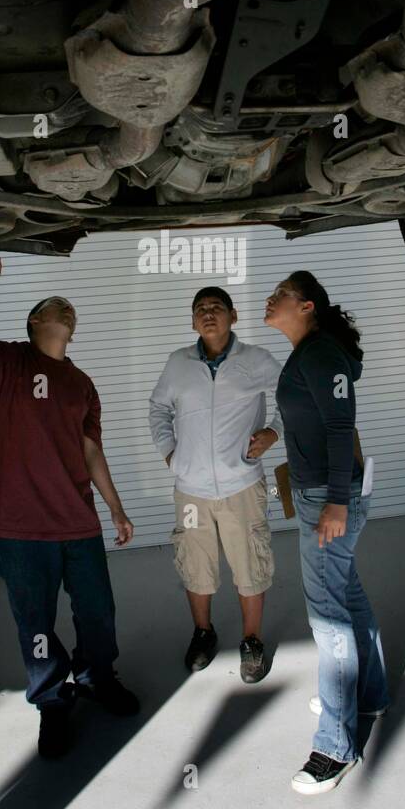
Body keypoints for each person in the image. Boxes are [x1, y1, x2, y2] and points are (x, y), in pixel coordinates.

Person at [0, 257, 139, 760]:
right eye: (55, 306)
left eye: (70, 308)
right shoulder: (8, 362)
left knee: (98, 610)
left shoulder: (83, 384)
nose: (66, 309)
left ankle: (98, 677)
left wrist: (116, 509)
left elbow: (92, 451)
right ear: (34, 323)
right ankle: (53, 700)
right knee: (34, 621)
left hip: (77, 520)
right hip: (20, 525)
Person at [265, 270, 389, 795]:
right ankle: (369, 694)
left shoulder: (319, 354)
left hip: (328, 497)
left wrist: (336, 502)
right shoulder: (312, 353)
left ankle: (333, 749)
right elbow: (310, 418)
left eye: (281, 296)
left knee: (328, 619)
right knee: (347, 595)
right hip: (327, 493)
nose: (271, 301)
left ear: (307, 306)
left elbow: (340, 428)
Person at [149, 285, 283, 682]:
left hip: (242, 484)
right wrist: (170, 453)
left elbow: (295, 394)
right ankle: (203, 633)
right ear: (193, 321)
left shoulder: (255, 360)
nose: (209, 314)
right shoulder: (177, 364)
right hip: (191, 491)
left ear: (233, 316)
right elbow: (157, 408)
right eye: (201, 309)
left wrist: (274, 432)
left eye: (217, 307)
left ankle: (252, 641)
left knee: (250, 563)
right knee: (195, 562)